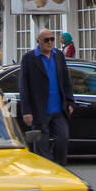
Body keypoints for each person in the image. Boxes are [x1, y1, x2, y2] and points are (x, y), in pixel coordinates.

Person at [18, 29, 74, 164]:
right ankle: (46, 170)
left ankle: (59, 167)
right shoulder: (29, 59)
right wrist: (26, 111)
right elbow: (23, 87)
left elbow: (66, 80)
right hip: (39, 110)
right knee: (42, 147)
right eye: (46, 40)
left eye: (52, 39)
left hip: (58, 109)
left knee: (62, 138)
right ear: (38, 42)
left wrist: (70, 101)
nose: (50, 43)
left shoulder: (58, 56)